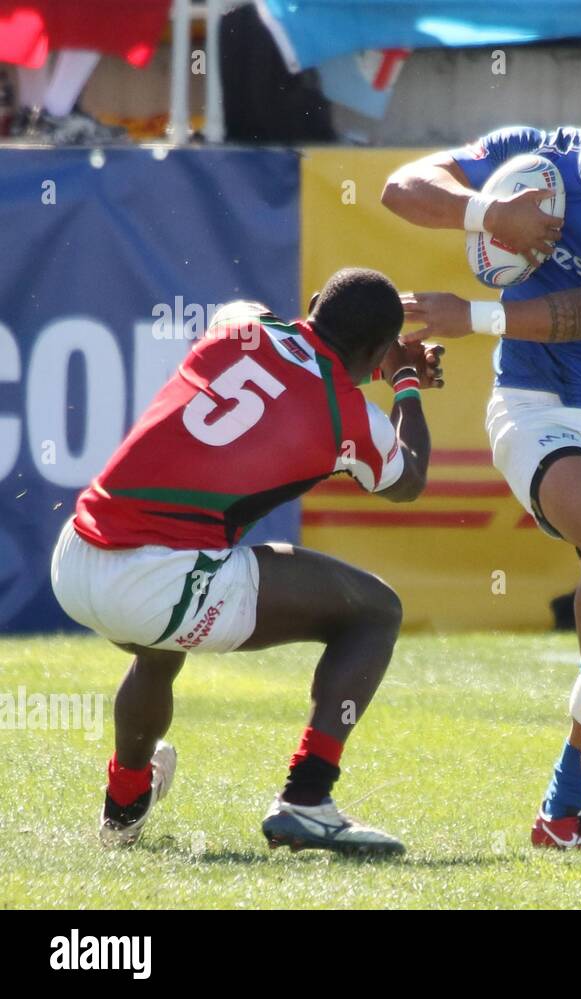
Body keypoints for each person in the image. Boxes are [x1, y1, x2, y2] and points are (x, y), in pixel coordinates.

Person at [385, 57, 581, 852]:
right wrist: (487, 210)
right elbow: (401, 186)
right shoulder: (533, 157)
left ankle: (562, 815)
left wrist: (475, 316)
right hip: (535, 406)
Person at [49, 268, 443, 856]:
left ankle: (126, 801)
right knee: (375, 611)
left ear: (313, 306)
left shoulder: (242, 329)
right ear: (376, 352)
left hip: (76, 558)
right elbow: (408, 479)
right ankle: (307, 798)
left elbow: (244, 308)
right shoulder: (348, 414)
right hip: (156, 583)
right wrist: (405, 378)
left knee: (162, 646)